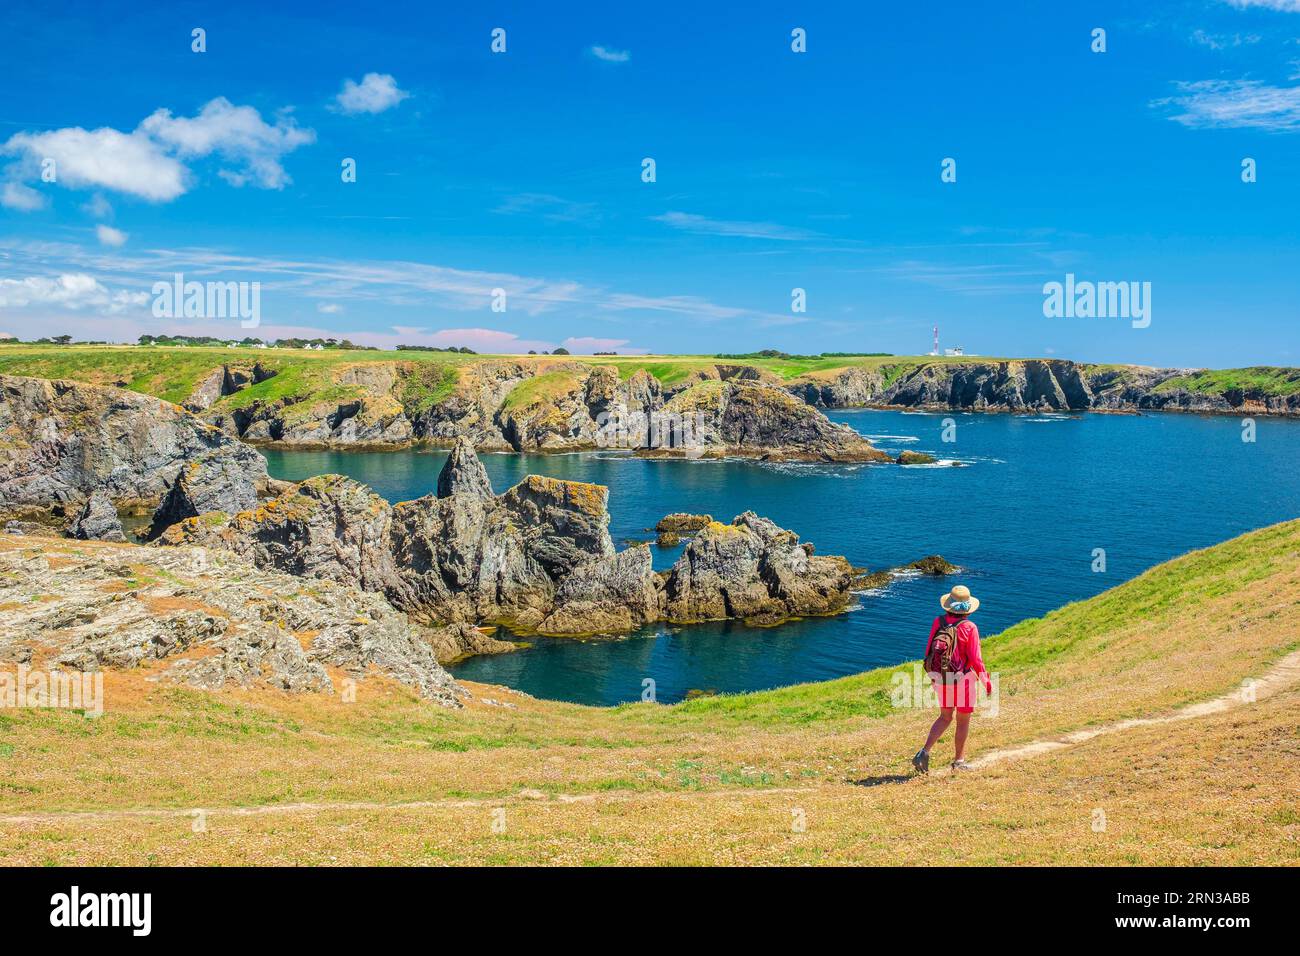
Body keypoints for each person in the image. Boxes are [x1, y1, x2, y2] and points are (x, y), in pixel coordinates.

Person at [912, 585, 991, 774]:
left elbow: (928, 651)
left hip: (940, 677)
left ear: (948, 605)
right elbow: (975, 659)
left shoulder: (937, 622)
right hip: (962, 680)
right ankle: (959, 761)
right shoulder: (969, 627)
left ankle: (923, 752)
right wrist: (986, 680)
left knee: (945, 716)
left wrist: (932, 675)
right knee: (962, 721)